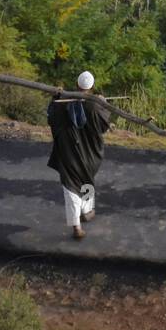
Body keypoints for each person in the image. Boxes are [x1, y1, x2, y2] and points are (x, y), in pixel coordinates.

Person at [47, 71, 112, 240]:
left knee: (71, 187)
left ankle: (77, 224)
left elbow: (51, 118)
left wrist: (55, 97)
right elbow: (104, 125)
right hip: (90, 153)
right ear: (91, 87)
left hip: (68, 152)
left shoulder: (62, 102)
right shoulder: (95, 105)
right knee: (87, 179)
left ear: (77, 84)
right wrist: (103, 104)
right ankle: (87, 211)